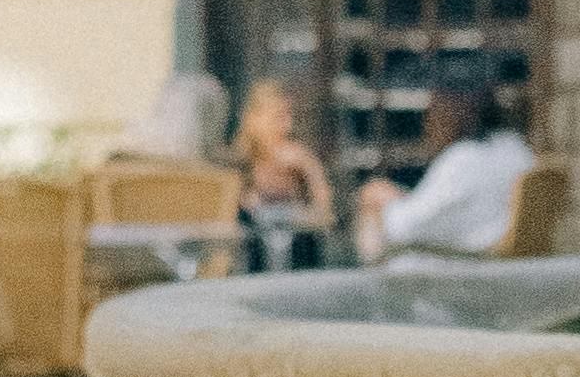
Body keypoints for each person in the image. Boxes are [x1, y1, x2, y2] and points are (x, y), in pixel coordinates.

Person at [352, 76, 537, 261]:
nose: (428, 122)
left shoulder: (464, 158)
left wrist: (378, 201)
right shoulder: (515, 148)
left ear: (453, 112)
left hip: (462, 268)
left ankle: (368, 281)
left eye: (434, 110)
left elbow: (405, 228)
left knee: (374, 195)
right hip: (501, 261)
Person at [230, 72, 335, 267]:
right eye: (277, 118)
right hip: (253, 261)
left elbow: (324, 210)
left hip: (297, 257)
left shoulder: (299, 161)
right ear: (254, 119)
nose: (287, 126)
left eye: (288, 116)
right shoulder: (240, 163)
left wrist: (310, 169)